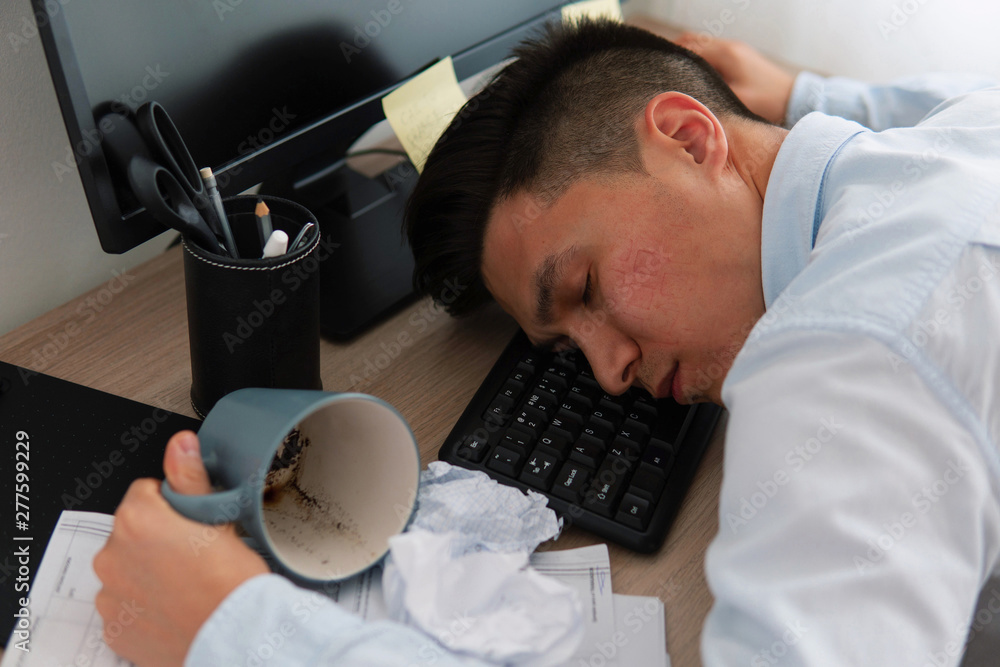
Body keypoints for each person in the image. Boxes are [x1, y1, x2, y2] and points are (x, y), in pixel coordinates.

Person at [93, 19, 1000, 666]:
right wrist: (800, 95)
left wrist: (234, 629)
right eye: (565, 345)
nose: (611, 370)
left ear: (690, 137)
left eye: (585, 288)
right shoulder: (957, 141)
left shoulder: (850, 348)